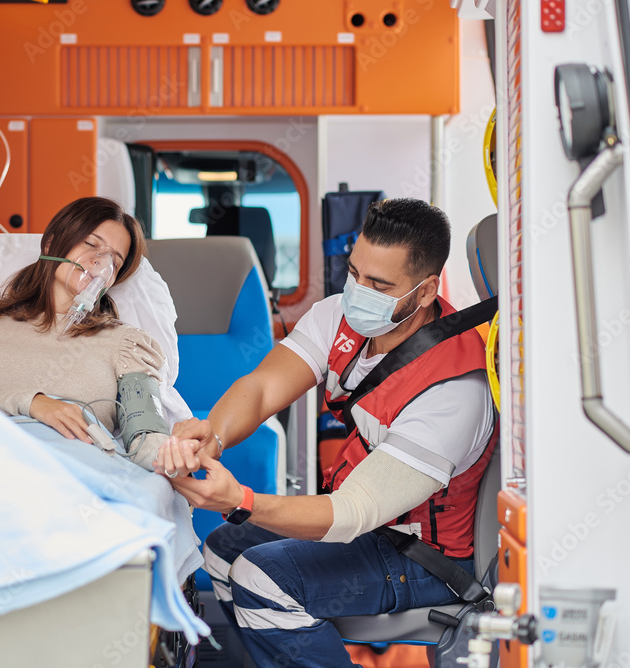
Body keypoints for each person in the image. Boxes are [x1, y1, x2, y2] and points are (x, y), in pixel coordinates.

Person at [154, 198, 497, 667]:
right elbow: (261, 387)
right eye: (355, 273)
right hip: (374, 530)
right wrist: (209, 436)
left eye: (378, 284)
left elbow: (353, 512)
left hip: (424, 557)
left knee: (261, 577)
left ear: (425, 291)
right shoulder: (340, 317)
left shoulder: (454, 390)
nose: (359, 291)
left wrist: (239, 501)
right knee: (221, 551)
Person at [0, 196, 175, 470]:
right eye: (91, 244)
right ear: (50, 244)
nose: (100, 265)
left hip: (73, 479)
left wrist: (174, 457)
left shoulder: (126, 345)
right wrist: (32, 403)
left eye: (114, 262)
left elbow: (145, 439)